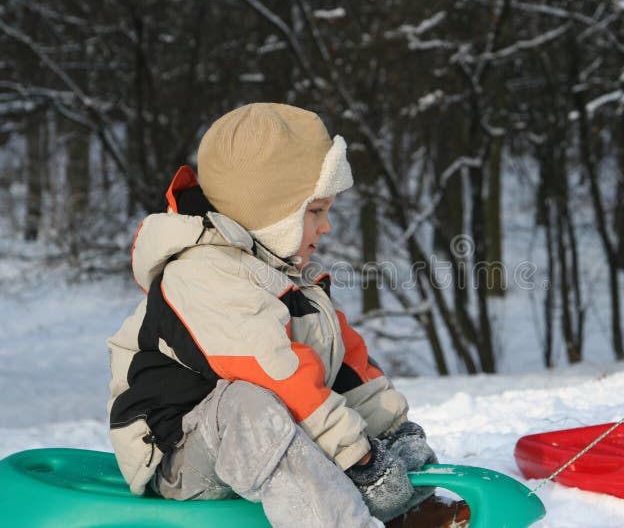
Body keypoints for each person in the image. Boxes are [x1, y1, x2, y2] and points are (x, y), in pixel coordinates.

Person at [107, 103, 437, 526]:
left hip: (257, 439)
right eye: (315, 212)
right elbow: (278, 375)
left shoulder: (291, 280)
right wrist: (360, 459)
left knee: (288, 407)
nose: (327, 227)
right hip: (177, 453)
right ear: (271, 214)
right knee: (252, 403)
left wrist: (391, 431)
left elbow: (345, 368)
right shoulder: (205, 273)